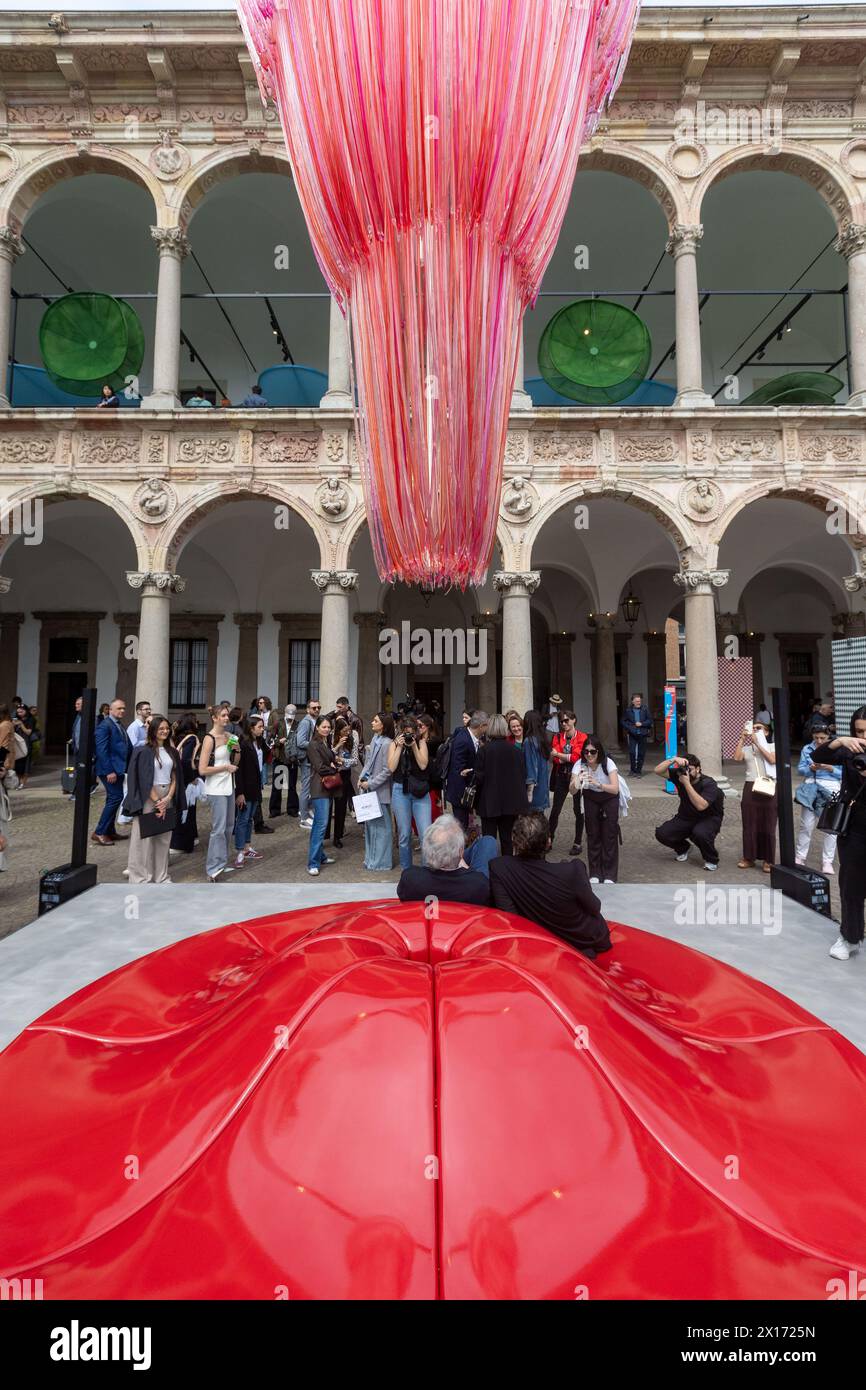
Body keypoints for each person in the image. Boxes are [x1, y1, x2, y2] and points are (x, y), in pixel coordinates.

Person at [489, 812, 612, 958]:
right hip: (582, 940)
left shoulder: (499, 868)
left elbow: (510, 916)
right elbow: (594, 906)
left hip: (541, 942)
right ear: (548, 842)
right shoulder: (572, 871)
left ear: (514, 841)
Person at [812, 706, 866, 961]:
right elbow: (818, 755)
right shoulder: (849, 749)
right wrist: (841, 741)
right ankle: (850, 937)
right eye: (859, 732)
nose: (863, 738)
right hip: (854, 829)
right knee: (851, 886)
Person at [123, 714, 185, 884]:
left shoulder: (171, 751)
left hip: (167, 794)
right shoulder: (143, 750)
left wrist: (169, 797)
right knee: (143, 839)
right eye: (161, 728)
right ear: (153, 731)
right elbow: (144, 778)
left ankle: (161, 876)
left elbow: (175, 776)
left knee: (163, 839)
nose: (165, 731)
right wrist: (158, 801)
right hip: (149, 796)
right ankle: (140, 878)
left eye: (167, 728)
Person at [397, 814, 496, 906]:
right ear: (461, 853)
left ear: (426, 849)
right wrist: (466, 868)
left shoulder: (410, 878)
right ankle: (450, 851)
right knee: (488, 841)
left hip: (431, 881)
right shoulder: (479, 884)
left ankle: (444, 851)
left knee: (486, 841)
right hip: (467, 885)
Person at [653, 752, 724, 871]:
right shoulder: (681, 775)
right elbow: (658, 770)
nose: (687, 772)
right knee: (662, 833)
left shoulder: (709, 783)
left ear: (698, 769)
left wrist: (686, 783)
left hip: (709, 817)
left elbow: (701, 806)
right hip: (686, 816)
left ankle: (711, 859)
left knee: (700, 833)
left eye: (690, 769)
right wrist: (673, 760)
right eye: (684, 769)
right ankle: (683, 848)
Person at [474, 713, 529, 855]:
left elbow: (479, 779)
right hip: (510, 804)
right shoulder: (516, 752)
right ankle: (508, 870)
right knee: (507, 841)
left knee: (488, 842)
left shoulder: (484, 751)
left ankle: (489, 869)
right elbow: (522, 777)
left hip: (488, 803)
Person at [198, 704, 240, 882]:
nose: (226, 718)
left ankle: (222, 862)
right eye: (223, 715)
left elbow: (235, 761)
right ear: (214, 718)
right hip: (215, 787)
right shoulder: (210, 738)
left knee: (229, 826)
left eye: (227, 715)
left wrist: (237, 750)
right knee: (218, 828)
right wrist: (224, 767)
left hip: (229, 785)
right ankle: (212, 868)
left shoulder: (228, 736)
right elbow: (202, 769)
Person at [795, 722, 841, 874]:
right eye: (816, 738)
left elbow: (844, 773)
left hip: (831, 788)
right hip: (811, 787)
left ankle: (827, 861)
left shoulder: (837, 749)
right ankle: (800, 857)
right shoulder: (807, 749)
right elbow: (800, 770)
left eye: (823, 738)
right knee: (806, 825)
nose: (819, 741)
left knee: (831, 827)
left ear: (829, 737)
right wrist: (810, 769)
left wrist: (830, 768)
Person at [574, 735, 620, 884]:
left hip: (609, 797)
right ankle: (595, 872)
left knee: (609, 835)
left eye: (593, 752)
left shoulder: (608, 763)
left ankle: (610, 874)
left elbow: (615, 789)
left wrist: (597, 783)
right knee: (593, 835)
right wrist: (576, 781)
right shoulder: (579, 764)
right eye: (586, 752)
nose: (589, 755)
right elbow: (572, 791)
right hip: (590, 798)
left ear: (599, 752)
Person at [388, 714, 432, 869]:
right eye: (406, 733)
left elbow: (423, 765)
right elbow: (392, 768)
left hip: (420, 793)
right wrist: (400, 746)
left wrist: (413, 745)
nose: (409, 735)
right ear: (401, 732)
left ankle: (427, 870)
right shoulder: (394, 744)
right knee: (404, 835)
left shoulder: (420, 742)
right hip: (400, 791)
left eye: (411, 732)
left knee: (426, 834)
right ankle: (407, 870)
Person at [733, 716, 777, 871]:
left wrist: (758, 743)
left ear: (766, 732)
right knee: (749, 823)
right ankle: (748, 857)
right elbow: (737, 758)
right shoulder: (747, 749)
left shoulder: (772, 746)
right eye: (754, 728)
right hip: (751, 785)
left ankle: (768, 859)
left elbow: (772, 760)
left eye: (759, 728)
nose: (755, 730)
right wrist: (742, 738)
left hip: (769, 785)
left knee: (769, 823)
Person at [358, 711, 395, 871]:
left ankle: (382, 862)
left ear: (383, 725)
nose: (372, 723)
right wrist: (361, 778)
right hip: (370, 790)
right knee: (371, 827)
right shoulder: (375, 739)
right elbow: (368, 763)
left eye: (375, 721)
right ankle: (371, 860)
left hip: (380, 791)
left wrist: (370, 784)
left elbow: (387, 771)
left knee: (382, 829)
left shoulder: (387, 743)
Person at [306, 714, 342, 876]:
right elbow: (320, 767)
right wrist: (334, 768)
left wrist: (335, 760)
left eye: (328, 727)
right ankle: (312, 863)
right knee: (321, 825)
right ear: (317, 727)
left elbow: (328, 759)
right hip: (319, 787)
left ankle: (320, 856)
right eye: (324, 727)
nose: (326, 729)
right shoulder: (313, 744)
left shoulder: (324, 742)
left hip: (326, 788)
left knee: (318, 825)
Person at [92, 697, 129, 845]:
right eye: (119, 708)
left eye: (123, 708)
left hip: (118, 769)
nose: (122, 711)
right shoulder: (105, 725)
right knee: (115, 798)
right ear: (111, 710)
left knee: (113, 799)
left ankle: (109, 831)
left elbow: (126, 745)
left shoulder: (118, 724)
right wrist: (109, 771)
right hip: (109, 770)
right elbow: (101, 750)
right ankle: (99, 832)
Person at [548, 709, 586, 854]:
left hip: (576, 777)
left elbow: (577, 757)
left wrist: (559, 754)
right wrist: (562, 756)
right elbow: (555, 759)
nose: (564, 723)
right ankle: (549, 839)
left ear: (574, 720)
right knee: (555, 810)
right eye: (562, 721)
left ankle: (577, 842)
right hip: (561, 776)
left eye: (566, 720)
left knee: (578, 811)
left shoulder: (582, 737)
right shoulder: (557, 737)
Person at [445, 710, 487, 830]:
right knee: (461, 829)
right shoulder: (463, 740)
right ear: (481, 726)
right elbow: (458, 770)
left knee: (466, 827)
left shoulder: (472, 738)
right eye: (486, 726)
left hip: (466, 794)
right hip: (460, 795)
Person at [233, 714, 266, 868]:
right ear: (251, 728)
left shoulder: (258, 742)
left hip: (255, 786)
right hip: (245, 787)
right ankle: (239, 851)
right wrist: (239, 792)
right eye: (259, 726)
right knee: (242, 819)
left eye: (262, 726)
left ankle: (247, 847)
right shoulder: (243, 743)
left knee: (250, 819)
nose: (262, 729)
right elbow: (238, 770)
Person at [170, 712, 200, 855]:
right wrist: (191, 778)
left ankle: (191, 837)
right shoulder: (192, 738)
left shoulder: (177, 737)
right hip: (186, 778)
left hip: (177, 777)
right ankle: (181, 843)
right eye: (196, 721)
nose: (198, 723)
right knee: (187, 810)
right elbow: (187, 760)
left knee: (185, 809)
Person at [331, 714, 360, 848]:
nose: (347, 733)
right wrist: (337, 746)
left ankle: (338, 836)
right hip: (331, 774)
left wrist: (343, 760)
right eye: (344, 731)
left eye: (348, 730)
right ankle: (326, 833)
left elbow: (354, 760)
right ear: (338, 731)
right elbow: (327, 754)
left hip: (344, 774)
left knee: (341, 806)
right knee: (328, 806)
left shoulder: (353, 738)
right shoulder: (331, 736)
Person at [269, 703, 300, 817]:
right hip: (280, 758)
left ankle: (292, 809)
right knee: (277, 785)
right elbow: (270, 740)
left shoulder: (298, 725)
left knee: (292, 786)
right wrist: (278, 742)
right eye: (288, 717)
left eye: (292, 717)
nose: (290, 720)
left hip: (292, 760)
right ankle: (274, 810)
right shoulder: (278, 724)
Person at [296, 697, 321, 828]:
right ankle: (303, 818)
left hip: (311, 760)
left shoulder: (315, 720)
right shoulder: (306, 722)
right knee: (305, 789)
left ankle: (307, 810)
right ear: (307, 709)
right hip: (306, 760)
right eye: (314, 708)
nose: (316, 710)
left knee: (310, 788)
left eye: (318, 707)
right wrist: (315, 745)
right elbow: (300, 742)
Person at [522, 708, 551, 812]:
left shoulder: (528, 741)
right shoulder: (542, 740)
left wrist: (529, 792)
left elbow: (531, 767)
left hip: (534, 792)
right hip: (542, 790)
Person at [621, 692, 652, 776]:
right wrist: (629, 728)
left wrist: (642, 724)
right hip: (632, 734)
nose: (639, 703)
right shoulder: (628, 711)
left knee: (641, 753)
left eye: (640, 701)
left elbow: (650, 720)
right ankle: (632, 770)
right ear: (633, 702)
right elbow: (623, 721)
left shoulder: (645, 709)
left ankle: (638, 771)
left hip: (643, 734)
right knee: (632, 752)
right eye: (637, 701)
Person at [12, 703, 34, 787]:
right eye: (18, 710)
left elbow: (28, 732)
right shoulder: (15, 719)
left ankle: (22, 783)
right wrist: (13, 725)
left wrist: (21, 724)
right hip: (16, 744)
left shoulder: (30, 719)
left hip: (26, 743)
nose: (19, 711)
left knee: (26, 764)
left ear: (26, 711)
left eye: (22, 710)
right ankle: (19, 781)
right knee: (18, 764)